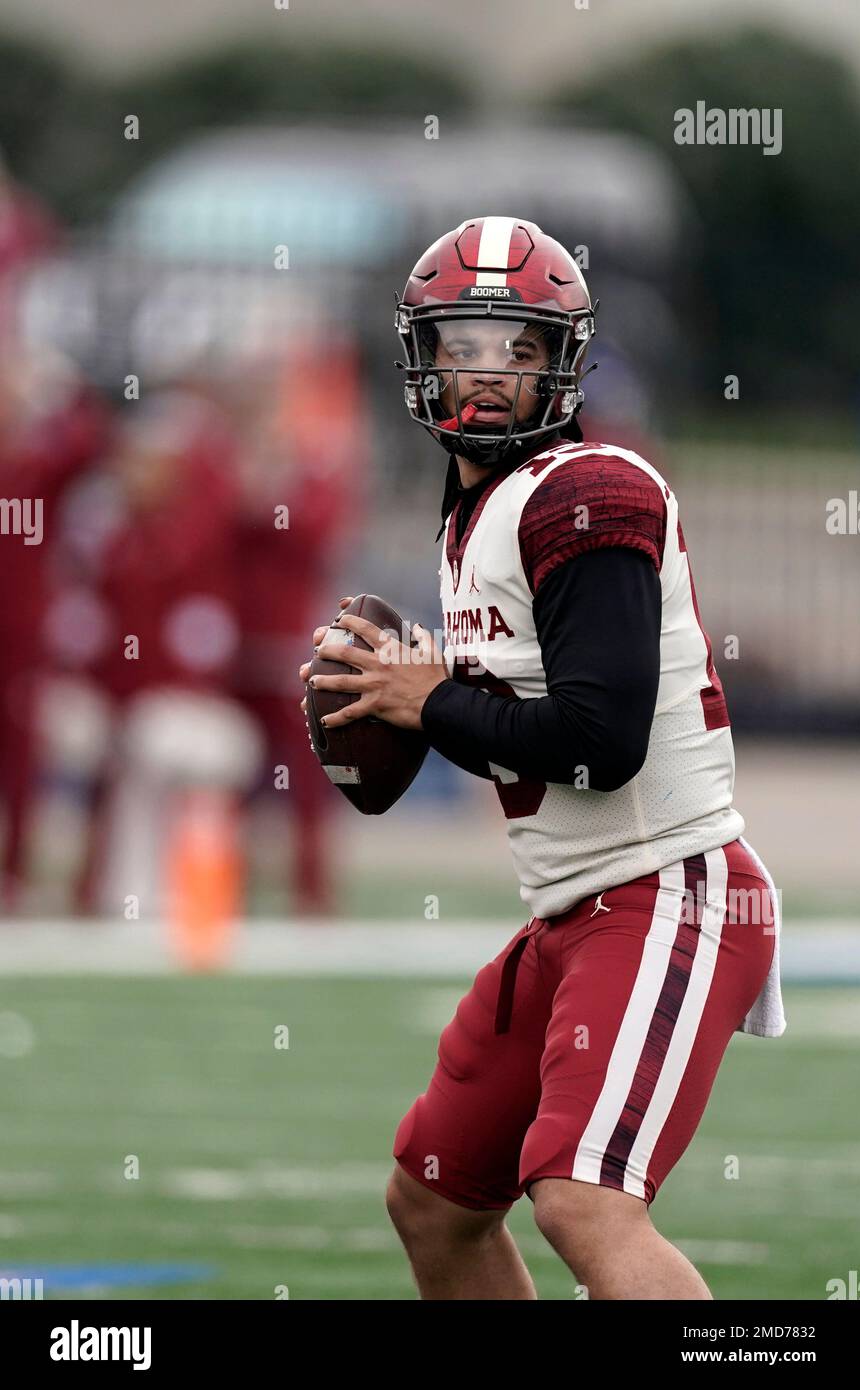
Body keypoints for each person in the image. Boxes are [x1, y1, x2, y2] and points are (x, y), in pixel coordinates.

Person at [299, 217, 785, 1300]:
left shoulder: (588, 490)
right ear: (420, 357)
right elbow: (525, 731)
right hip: (572, 908)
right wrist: (426, 703)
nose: (486, 372)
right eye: (462, 343)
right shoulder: (471, 515)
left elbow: (599, 746)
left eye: (516, 347)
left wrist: (433, 704)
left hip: (664, 889)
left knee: (581, 1200)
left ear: (560, 362)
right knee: (432, 1199)